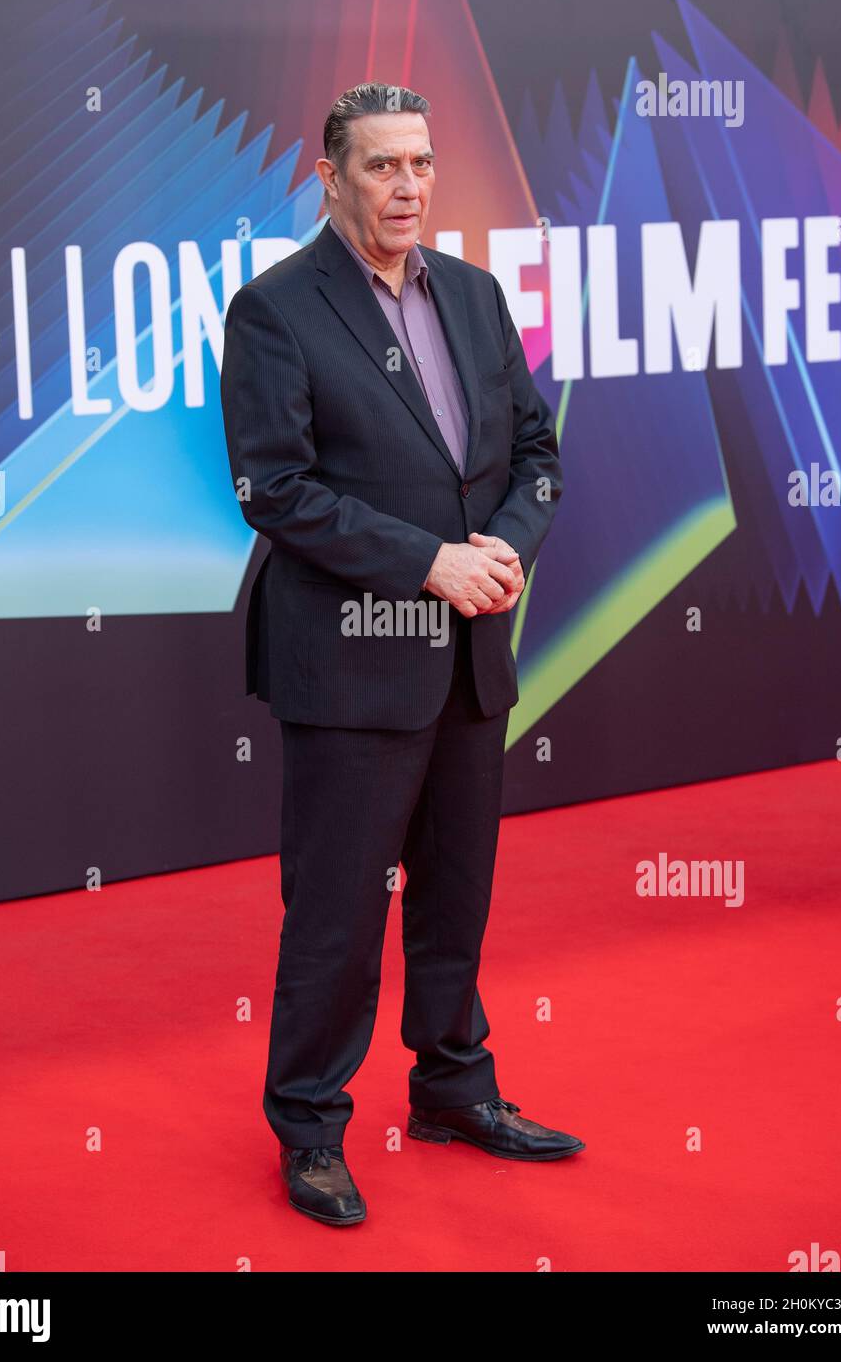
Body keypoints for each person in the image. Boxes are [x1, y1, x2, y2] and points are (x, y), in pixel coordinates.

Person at [221, 82, 585, 1227]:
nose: (409, 186)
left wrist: (502, 549)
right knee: (336, 907)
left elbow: (535, 449)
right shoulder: (276, 310)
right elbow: (273, 491)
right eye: (382, 166)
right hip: (350, 657)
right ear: (329, 178)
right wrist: (429, 562)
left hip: (471, 651)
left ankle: (451, 1088)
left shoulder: (474, 296)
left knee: (456, 894)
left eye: (421, 164)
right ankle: (311, 1125)